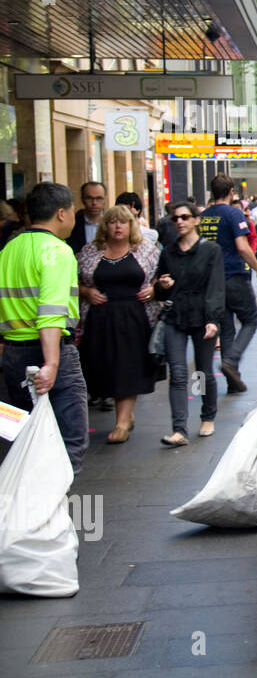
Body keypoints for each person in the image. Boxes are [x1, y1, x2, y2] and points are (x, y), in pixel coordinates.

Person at [0, 182, 88, 473]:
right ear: (62, 213)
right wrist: (51, 363)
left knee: (28, 440)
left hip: (14, 355)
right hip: (49, 355)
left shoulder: (10, 249)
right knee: (70, 439)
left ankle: (29, 506)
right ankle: (52, 510)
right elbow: (50, 312)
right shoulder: (57, 251)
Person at [75, 205, 161, 444]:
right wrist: (86, 291)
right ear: (105, 225)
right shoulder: (90, 251)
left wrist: (154, 289)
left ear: (131, 225)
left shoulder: (146, 250)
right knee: (106, 367)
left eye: (122, 222)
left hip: (135, 317)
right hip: (100, 318)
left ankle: (122, 422)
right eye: (112, 222)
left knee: (128, 367)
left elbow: (162, 277)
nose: (117, 226)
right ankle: (126, 414)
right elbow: (73, 281)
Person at [153, 203, 224, 446]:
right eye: (175, 218)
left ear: (196, 220)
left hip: (202, 316)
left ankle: (207, 416)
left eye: (185, 217)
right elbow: (160, 290)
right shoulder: (168, 252)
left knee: (202, 371)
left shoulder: (210, 250)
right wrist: (161, 286)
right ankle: (179, 429)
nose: (180, 222)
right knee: (178, 373)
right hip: (176, 316)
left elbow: (216, 287)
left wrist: (213, 319)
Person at [199, 174, 257, 394]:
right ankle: (232, 360)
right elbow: (243, 247)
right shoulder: (233, 213)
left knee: (226, 328)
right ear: (230, 192)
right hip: (233, 275)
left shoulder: (204, 216)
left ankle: (232, 380)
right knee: (250, 320)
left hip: (212, 282)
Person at [66, 180, 107, 254]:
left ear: (105, 199)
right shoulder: (71, 224)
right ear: (82, 199)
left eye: (99, 198)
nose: (94, 203)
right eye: (89, 198)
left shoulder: (111, 224)